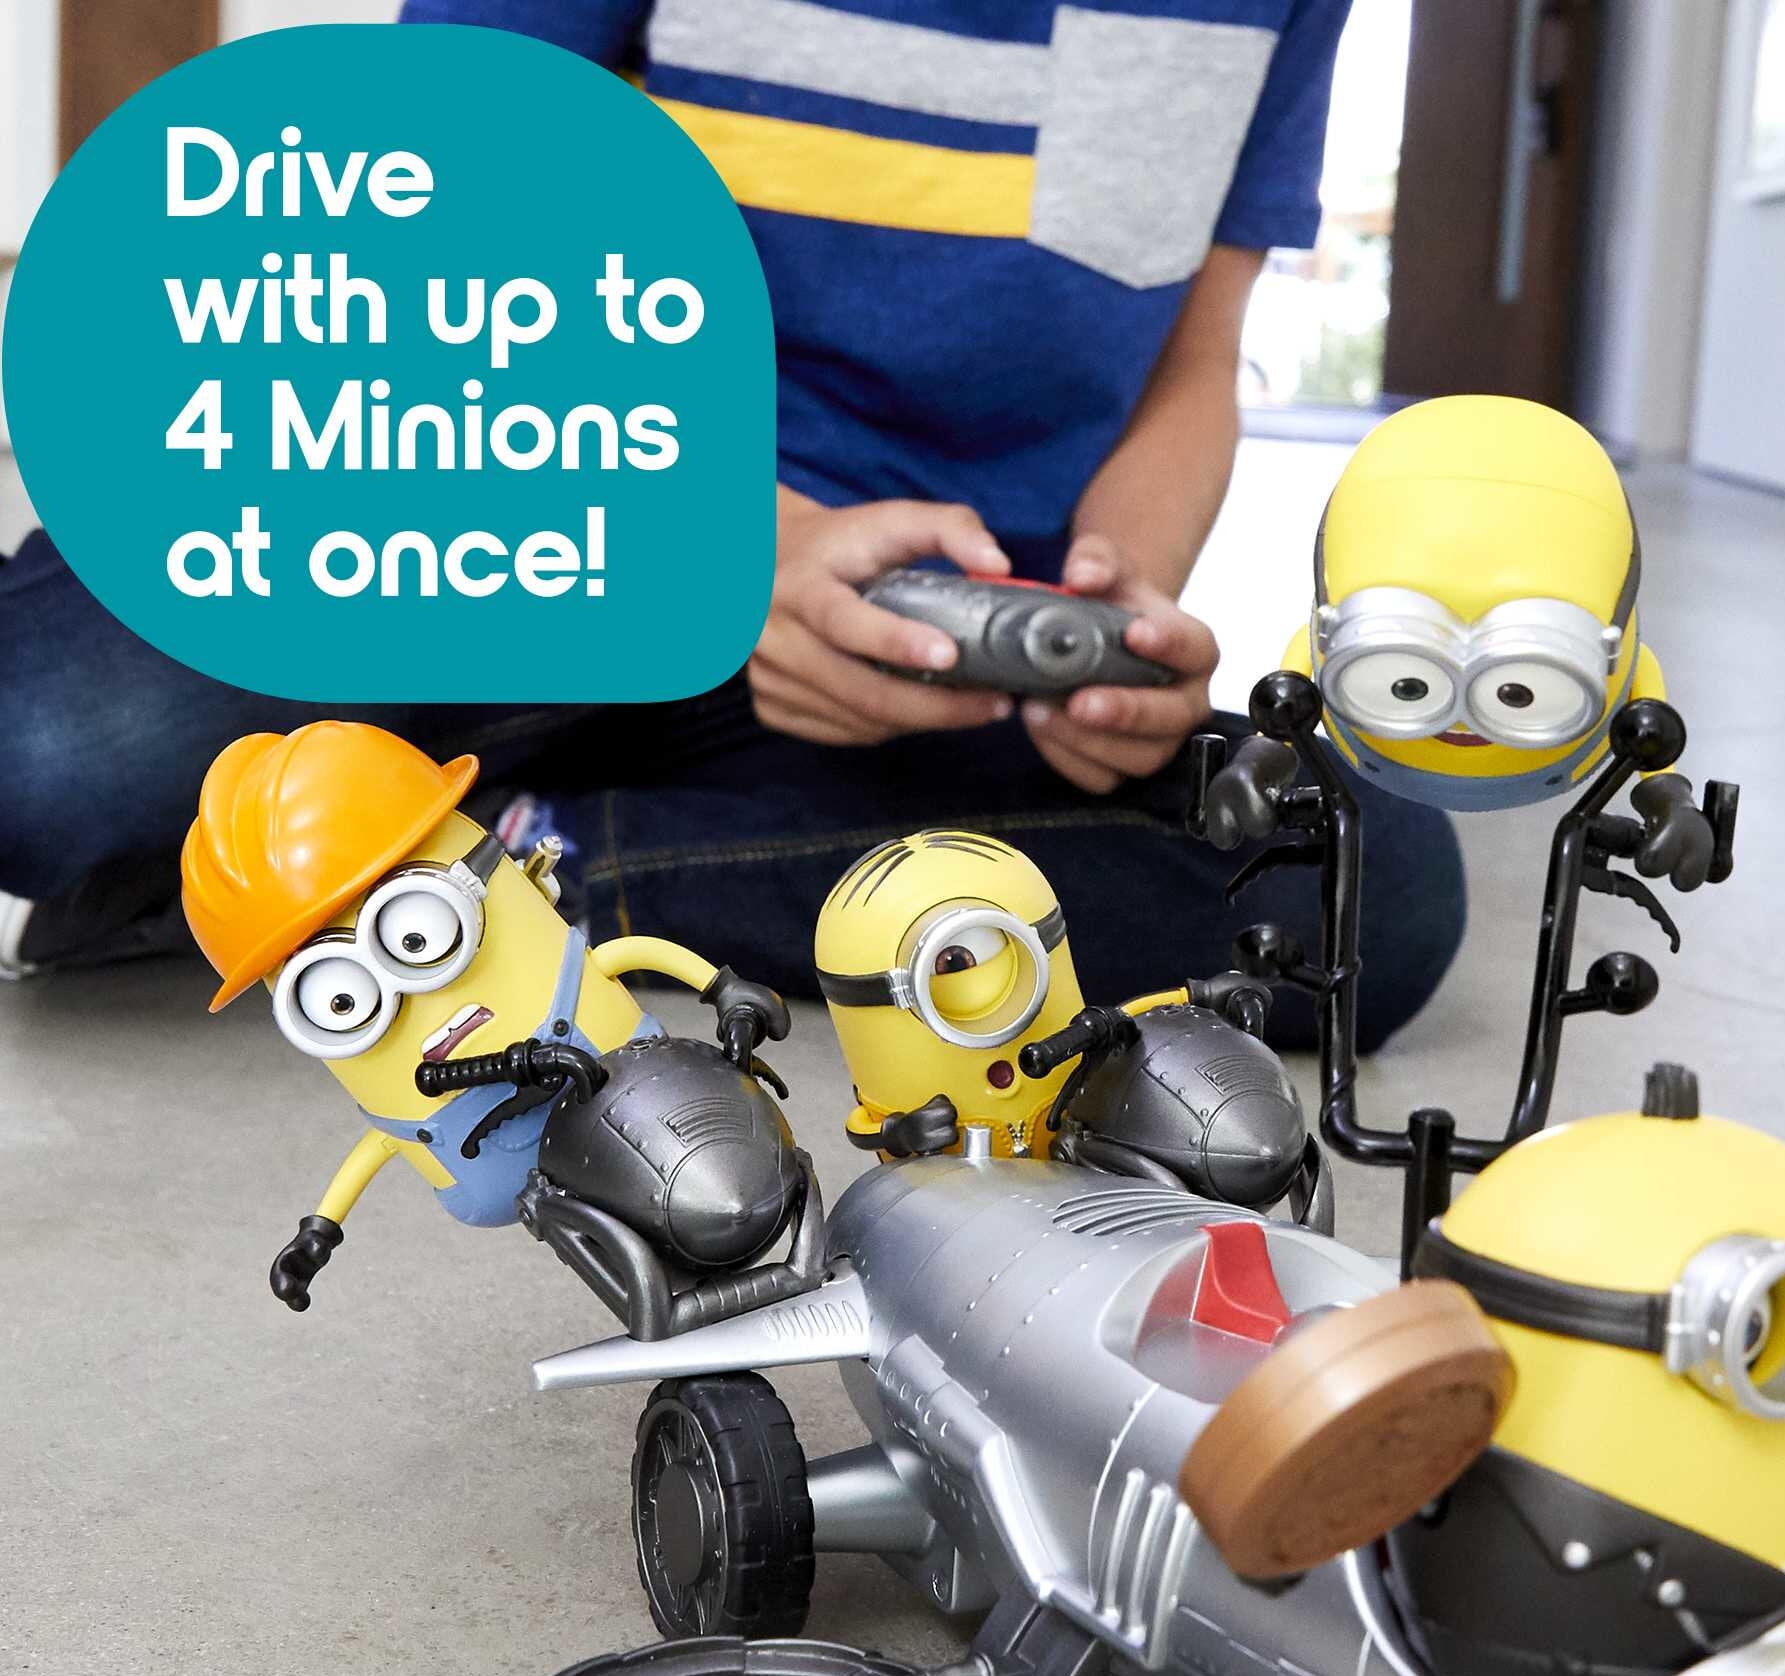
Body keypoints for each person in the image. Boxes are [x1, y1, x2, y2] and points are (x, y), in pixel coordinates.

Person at [0, 0, 1463, 1051]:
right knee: (44, 745)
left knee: (1361, 887)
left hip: (918, 645)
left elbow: (1198, 359)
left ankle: (512, 863)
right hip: (548, 513)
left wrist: (1118, 606)